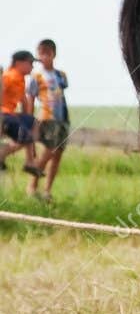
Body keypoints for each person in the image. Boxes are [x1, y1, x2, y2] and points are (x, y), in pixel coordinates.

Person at [28, 38, 70, 199]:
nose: (45, 56)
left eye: (48, 53)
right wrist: (30, 120)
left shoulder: (61, 75)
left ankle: (47, 191)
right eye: (41, 53)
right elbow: (31, 98)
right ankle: (32, 186)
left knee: (58, 154)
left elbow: (62, 95)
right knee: (48, 152)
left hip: (62, 119)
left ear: (54, 54)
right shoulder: (36, 76)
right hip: (46, 117)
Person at [0, 50, 40, 185]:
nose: (32, 67)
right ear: (19, 63)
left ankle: (29, 161)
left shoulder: (21, 78)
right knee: (26, 136)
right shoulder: (8, 76)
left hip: (11, 114)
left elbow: (24, 101)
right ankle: (2, 155)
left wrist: (26, 119)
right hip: (4, 114)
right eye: (30, 63)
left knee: (33, 122)